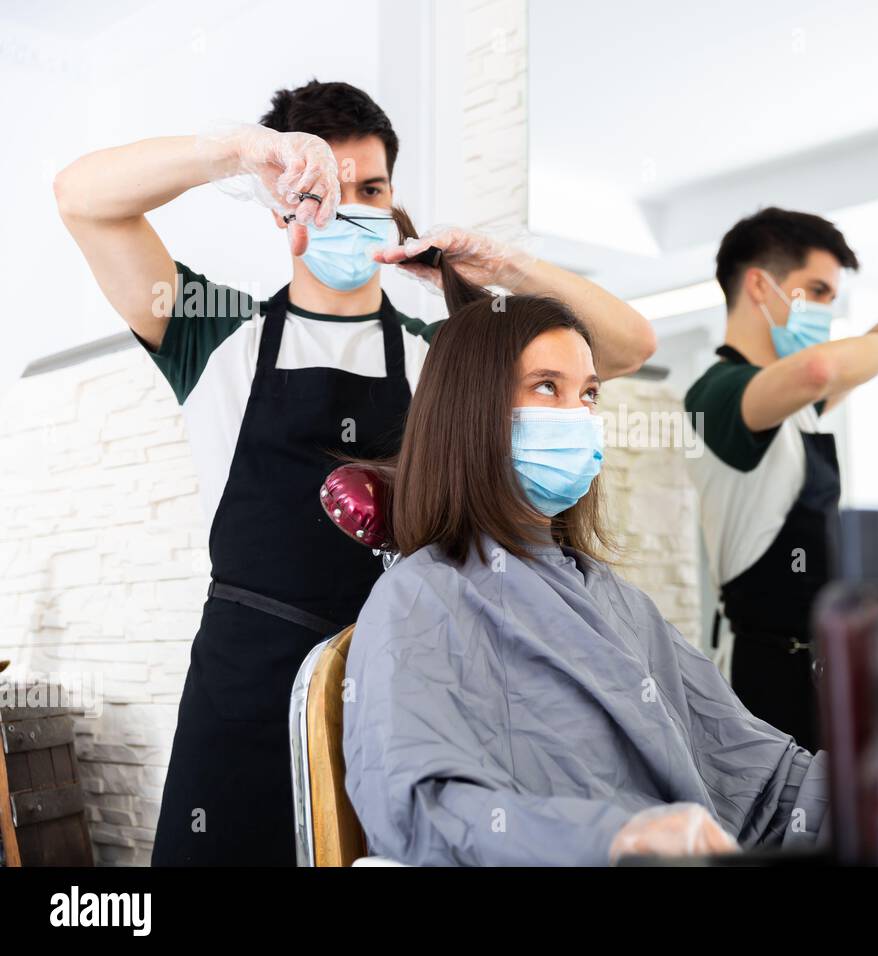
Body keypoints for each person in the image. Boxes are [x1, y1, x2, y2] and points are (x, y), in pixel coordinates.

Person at [53, 79, 656, 866]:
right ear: (280, 205)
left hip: (400, 692)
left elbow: (624, 347)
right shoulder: (212, 332)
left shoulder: (441, 355)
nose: (350, 206)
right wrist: (243, 152)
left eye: (369, 188)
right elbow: (81, 199)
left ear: (393, 198)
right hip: (242, 697)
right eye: (322, 190)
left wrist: (502, 265)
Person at [342, 260, 830, 865]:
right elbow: (422, 810)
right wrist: (615, 838)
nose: (579, 415)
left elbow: (758, 776)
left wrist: (875, 792)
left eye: (590, 393)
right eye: (547, 386)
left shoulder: (613, 598)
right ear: (474, 412)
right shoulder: (422, 597)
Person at [684, 206, 878, 750]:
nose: (827, 312)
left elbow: (852, 357)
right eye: (818, 291)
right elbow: (821, 368)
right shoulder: (719, 393)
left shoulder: (793, 406)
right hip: (764, 679)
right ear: (760, 285)